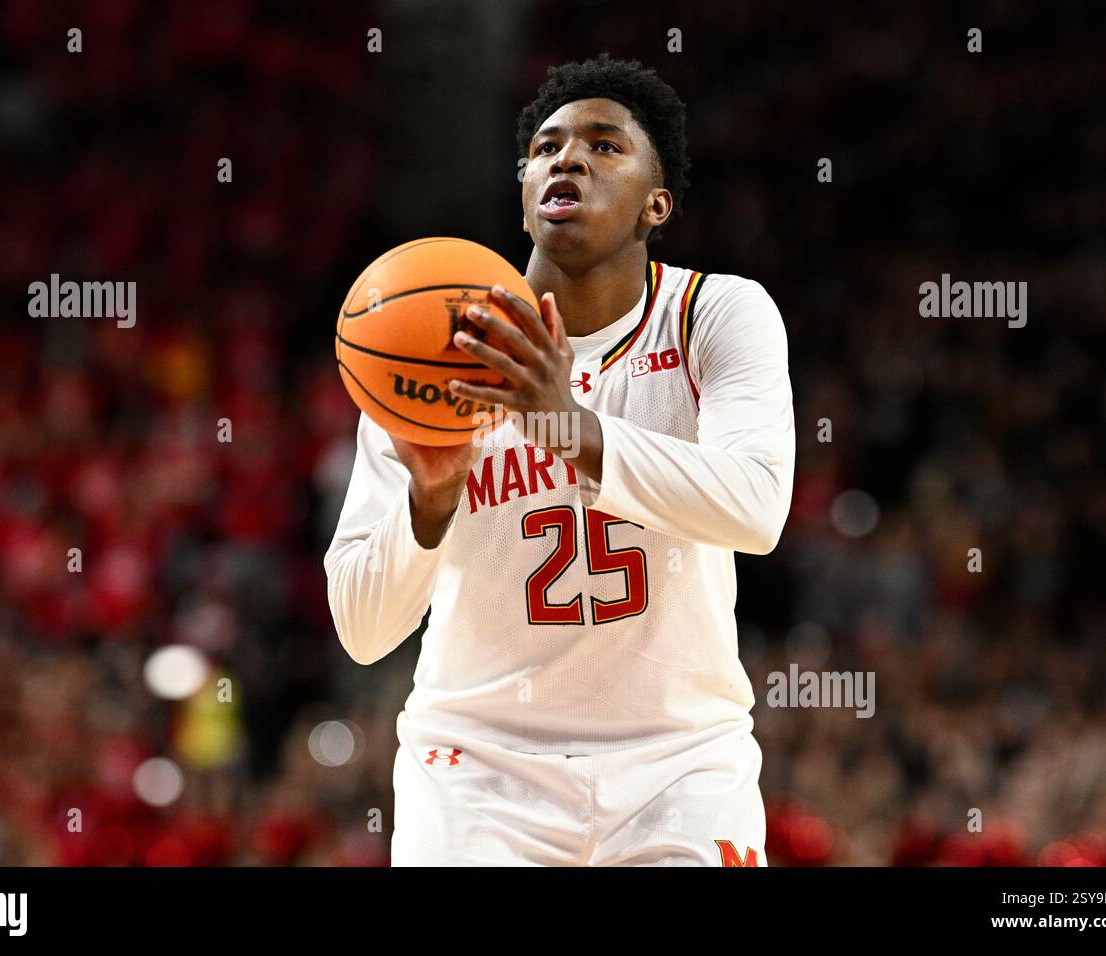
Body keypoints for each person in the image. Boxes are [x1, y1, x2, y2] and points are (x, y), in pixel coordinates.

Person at [326, 53, 794, 866]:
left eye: (604, 145)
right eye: (545, 147)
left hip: (679, 764)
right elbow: (363, 631)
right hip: (476, 766)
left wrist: (565, 425)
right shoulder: (431, 350)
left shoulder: (715, 314)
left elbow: (756, 508)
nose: (567, 158)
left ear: (658, 202)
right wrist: (429, 507)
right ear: (524, 192)